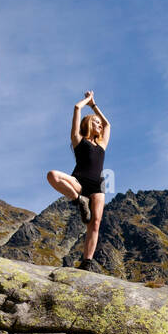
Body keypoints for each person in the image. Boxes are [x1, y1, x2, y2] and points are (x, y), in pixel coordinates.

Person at [46, 91, 111, 271]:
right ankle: (78, 200)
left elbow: (108, 124)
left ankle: (87, 262)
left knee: (95, 223)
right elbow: (76, 107)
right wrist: (85, 103)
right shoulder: (78, 140)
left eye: (99, 123)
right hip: (79, 181)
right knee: (52, 175)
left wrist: (94, 106)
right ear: (88, 124)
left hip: (97, 185)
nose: (99, 125)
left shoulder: (102, 145)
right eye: (95, 122)